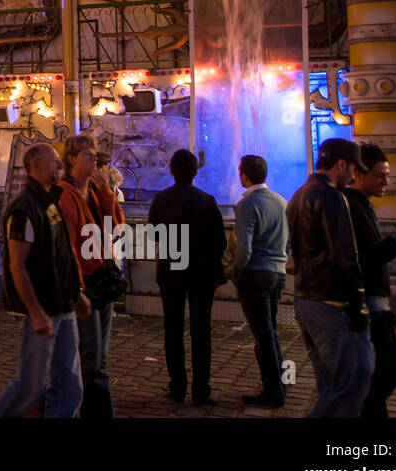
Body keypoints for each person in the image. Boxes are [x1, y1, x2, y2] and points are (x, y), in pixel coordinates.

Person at [0, 143, 88, 417]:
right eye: (54, 161)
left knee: (69, 385)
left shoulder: (49, 204)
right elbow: (17, 265)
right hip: (43, 306)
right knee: (29, 387)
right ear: (36, 166)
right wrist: (36, 313)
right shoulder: (24, 210)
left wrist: (75, 294)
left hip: (61, 304)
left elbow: (60, 254)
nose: (59, 166)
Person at [287, 137, 372, 418]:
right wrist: (358, 305)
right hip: (330, 302)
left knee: (330, 383)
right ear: (341, 164)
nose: (352, 176)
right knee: (349, 384)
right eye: (352, 170)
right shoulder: (332, 197)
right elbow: (345, 255)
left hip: (305, 298)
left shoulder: (300, 194)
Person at [148, 149, 227, 406]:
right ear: (196, 171)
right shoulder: (207, 200)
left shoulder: (161, 199)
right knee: (201, 331)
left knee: (173, 330)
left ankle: (177, 387)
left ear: (171, 170)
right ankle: (201, 389)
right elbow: (220, 241)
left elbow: (154, 235)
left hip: (171, 271)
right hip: (201, 274)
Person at [344, 142, 396, 419]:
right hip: (370, 303)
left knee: (383, 376)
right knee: (381, 376)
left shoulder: (362, 205)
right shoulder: (352, 207)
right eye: (379, 175)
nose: (386, 181)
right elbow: (364, 257)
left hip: (377, 302)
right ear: (358, 174)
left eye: (387, 175)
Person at [56, 132, 123, 418]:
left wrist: (106, 191)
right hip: (85, 283)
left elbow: (116, 225)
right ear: (72, 159)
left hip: (102, 278)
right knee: (91, 358)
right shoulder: (64, 194)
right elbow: (67, 245)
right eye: (88, 154)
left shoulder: (94, 190)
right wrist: (77, 289)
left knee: (100, 357)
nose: (94, 158)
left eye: (95, 154)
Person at [232, 154, 289, 408]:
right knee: (271, 331)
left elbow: (244, 247)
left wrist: (236, 271)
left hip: (256, 274)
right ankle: (282, 383)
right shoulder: (281, 202)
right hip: (278, 272)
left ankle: (273, 392)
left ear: (244, 175)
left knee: (262, 335)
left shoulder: (246, 205)